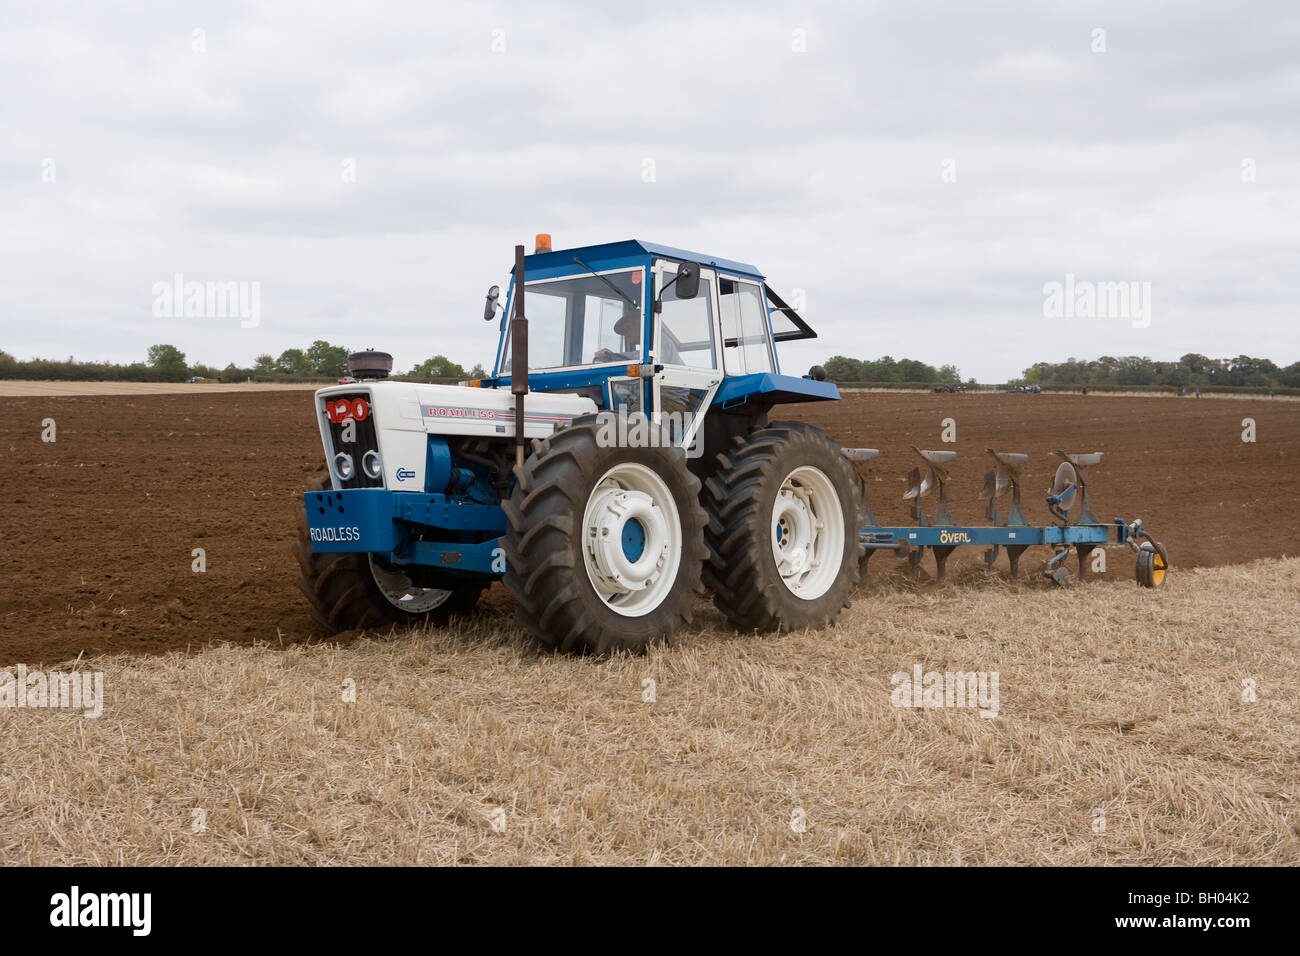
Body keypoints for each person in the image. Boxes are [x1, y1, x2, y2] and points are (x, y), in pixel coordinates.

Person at [593, 307, 683, 364]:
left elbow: (649, 360)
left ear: (640, 323)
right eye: (623, 332)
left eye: (628, 328)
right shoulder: (648, 347)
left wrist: (613, 356)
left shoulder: (660, 339)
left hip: (676, 391)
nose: (626, 334)